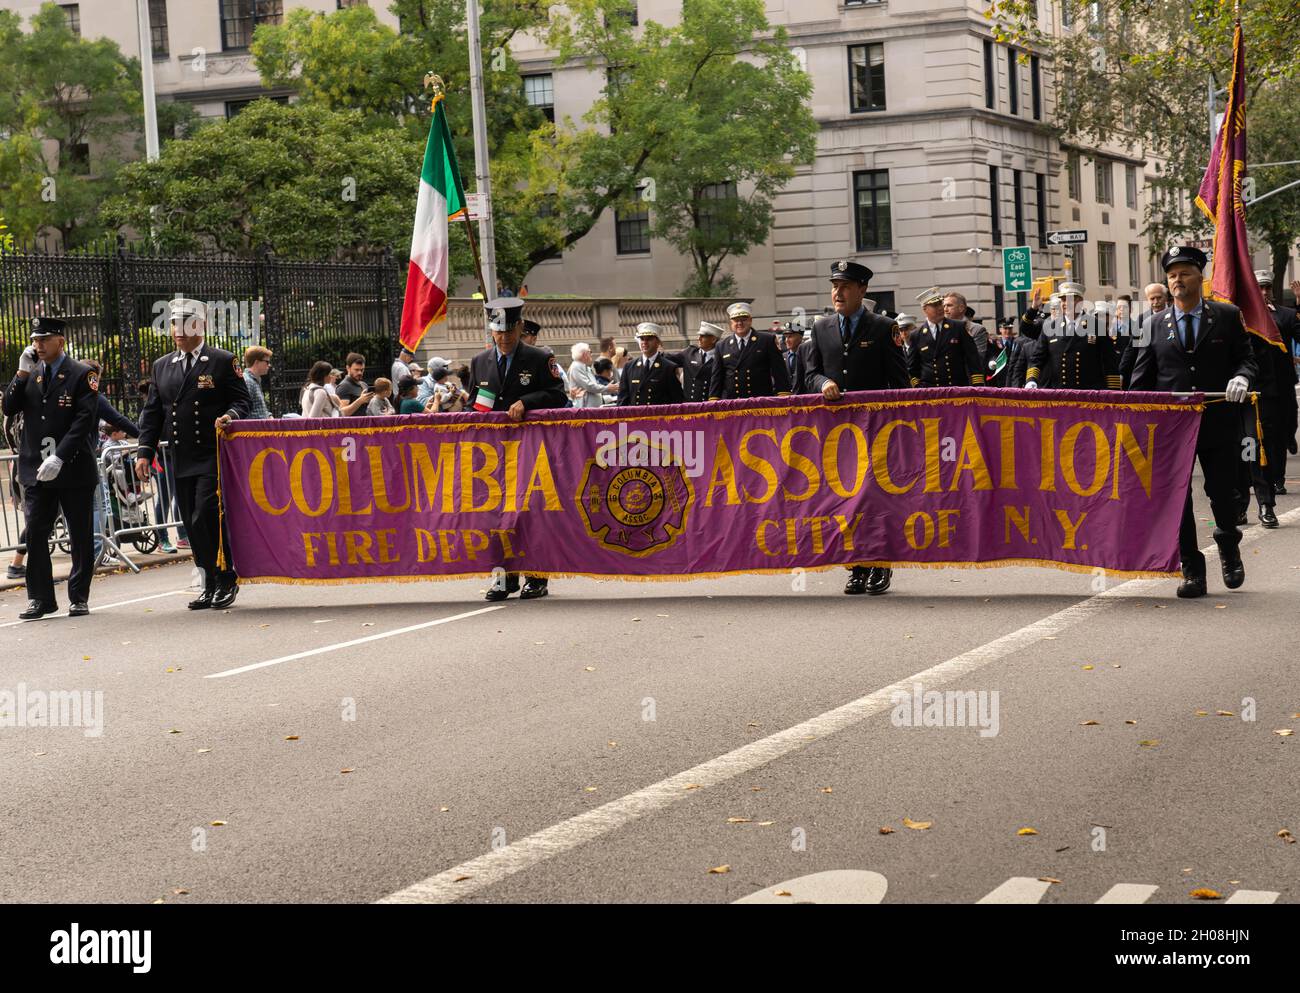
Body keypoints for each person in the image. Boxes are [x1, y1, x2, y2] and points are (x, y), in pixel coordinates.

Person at [1130, 247, 1257, 599]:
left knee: (1223, 494)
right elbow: (1141, 379)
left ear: (1200, 276)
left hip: (1217, 422)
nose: (1176, 280)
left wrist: (1242, 378)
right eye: (1171, 275)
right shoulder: (1152, 325)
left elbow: (1246, 359)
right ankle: (1192, 569)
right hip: (1171, 429)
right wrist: (1134, 420)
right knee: (1177, 500)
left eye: (1184, 273)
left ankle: (1229, 546)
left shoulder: (1227, 316)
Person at [135, 298, 251, 610]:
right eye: (174, 324)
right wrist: (144, 451)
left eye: (185, 324)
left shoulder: (222, 361)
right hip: (180, 455)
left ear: (200, 326)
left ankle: (226, 577)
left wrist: (229, 416)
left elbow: (243, 402)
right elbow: (153, 414)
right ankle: (208, 580)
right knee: (189, 518)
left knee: (206, 513)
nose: (178, 331)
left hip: (212, 453)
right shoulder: (162, 366)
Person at [804, 260, 910, 597]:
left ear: (862, 290)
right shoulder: (820, 328)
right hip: (838, 432)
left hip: (876, 429)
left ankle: (880, 562)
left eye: (846, 286)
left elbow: (900, 382)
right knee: (846, 500)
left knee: (875, 500)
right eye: (835, 285)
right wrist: (823, 383)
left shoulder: (883, 327)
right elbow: (808, 374)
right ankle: (855, 565)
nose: (838, 292)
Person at [468, 297, 569, 602]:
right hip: (494, 453)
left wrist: (528, 402)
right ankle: (503, 577)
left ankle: (536, 576)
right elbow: (478, 401)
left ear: (520, 327)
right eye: (499, 333)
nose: (504, 338)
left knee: (532, 512)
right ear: (491, 332)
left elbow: (558, 395)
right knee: (495, 514)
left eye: (510, 332)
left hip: (532, 449)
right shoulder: (480, 361)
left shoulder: (539, 358)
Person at [1, 317, 100, 619]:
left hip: (72, 468)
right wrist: (19, 373)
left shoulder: (82, 375)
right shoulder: (30, 373)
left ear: (61, 341)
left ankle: (78, 596)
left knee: (80, 535)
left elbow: (83, 421)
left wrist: (60, 456)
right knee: (35, 534)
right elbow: (8, 407)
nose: (38, 345)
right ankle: (40, 598)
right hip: (36, 470)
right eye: (35, 340)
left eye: (44, 339)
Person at [1253, 270, 1298, 501]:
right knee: (1262, 435)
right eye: (1259, 287)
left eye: (1267, 287)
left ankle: (1278, 477)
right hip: (1257, 385)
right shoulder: (1244, 316)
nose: (1264, 292)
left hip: (1282, 384)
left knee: (1283, 430)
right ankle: (1263, 479)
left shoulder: (1287, 315)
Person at [1023, 281, 1120, 391]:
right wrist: (1031, 380)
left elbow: (1109, 363)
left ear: (1080, 302)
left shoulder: (1097, 326)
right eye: (1063, 300)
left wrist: (1113, 393)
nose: (1065, 303)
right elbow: (1037, 358)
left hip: (1090, 395)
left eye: (1070, 300)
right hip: (1060, 395)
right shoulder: (1050, 327)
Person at [709, 301, 791, 399]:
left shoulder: (766, 340)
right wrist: (714, 398)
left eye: (743, 319)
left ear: (750, 320)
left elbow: (779, 370)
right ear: (731, 323)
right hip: (732, 403)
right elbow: (717, 376)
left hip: (760, 401)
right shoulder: (722, 345)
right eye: (736, 320)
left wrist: (783, 394)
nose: (739, 323)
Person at [908, 288, 984, 388]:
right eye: (935, 305)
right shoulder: (917, 334)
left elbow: (973, 360)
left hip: (957, 389)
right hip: (930, 392)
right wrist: (918, 388)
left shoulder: (958, 327)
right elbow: (913, 368)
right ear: (925, 309)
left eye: (940, 304)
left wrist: (977, 386)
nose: (940, 308)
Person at [618, 323, 684, 406]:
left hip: (659, 417)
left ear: (658, 342)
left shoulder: (669, 367)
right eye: (642, 339)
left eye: (649, 339)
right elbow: (622, 399)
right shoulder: (629, 367)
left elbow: (677, 400)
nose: (644, 342)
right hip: (636, 417)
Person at [665, 322, 722, 403]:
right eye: (699, 335)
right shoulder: (690, 353)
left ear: (713, 339)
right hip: (689, 405)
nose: (699, 338)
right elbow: (669, 358)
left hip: (710, 405)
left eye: (703, 336)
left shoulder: (721, 356)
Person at [568, 342, 617, 407]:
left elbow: (594, 385)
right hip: (585, 408)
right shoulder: (576, 367)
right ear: (584, 354)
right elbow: (588, 386)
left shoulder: (585, 367)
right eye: (590, 352)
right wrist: (606, 388)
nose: (591, 354)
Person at [243, 346, 272, 419]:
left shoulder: (254, 380)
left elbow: (258, 407)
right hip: (253, 429)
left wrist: (269, 416)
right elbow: (243, 409)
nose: (269, 365)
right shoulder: (247, 381)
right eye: (267, 362)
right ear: (257, 362)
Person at [781, 323, 805, 394]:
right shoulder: (782, 357)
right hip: (787, 398)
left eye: (790, 337)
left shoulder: (808, 355)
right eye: (785, 337)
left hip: (806, 397)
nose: (787, 340)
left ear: (800, 338)